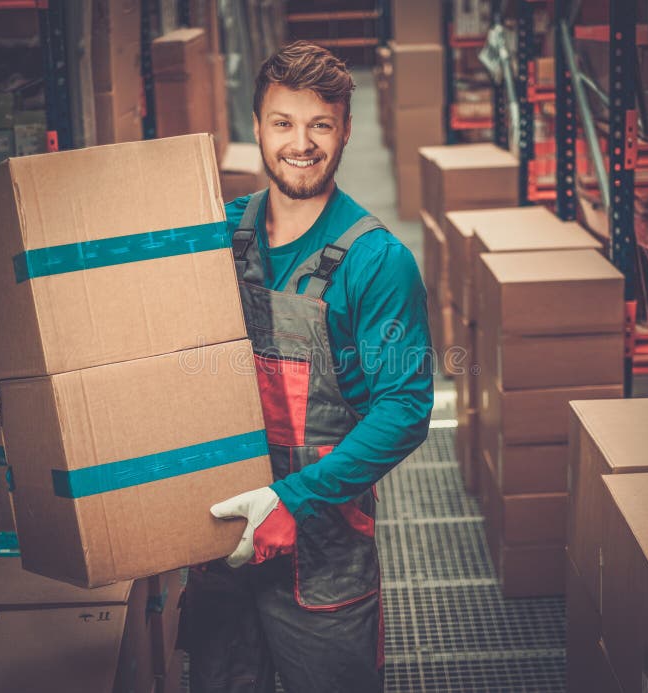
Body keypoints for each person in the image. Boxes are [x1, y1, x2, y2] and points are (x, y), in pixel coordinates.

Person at [182, 41, 434, 693]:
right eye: (283, 123)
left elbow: (404, 409)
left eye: (320, 124)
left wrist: (292, 496)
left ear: (346, 128)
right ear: (258, 128)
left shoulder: (377, 262)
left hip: (322, 548)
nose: (302, 143)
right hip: (221, 534)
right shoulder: (218, 236)